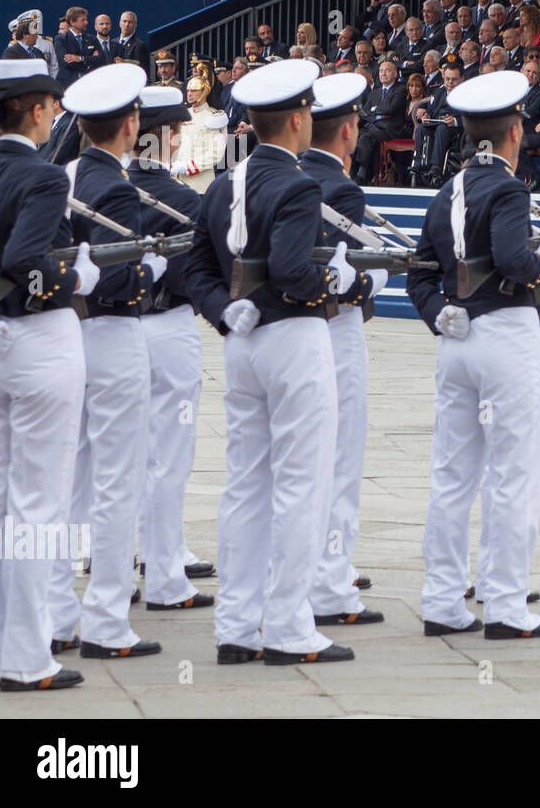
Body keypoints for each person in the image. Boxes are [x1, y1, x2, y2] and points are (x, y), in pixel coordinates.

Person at [185, 58, 354, 666]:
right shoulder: (298, 184)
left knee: (246, 484)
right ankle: (286, 624)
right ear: (300, 118)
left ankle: (236, 623)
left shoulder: (225, 184)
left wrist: (224, 311)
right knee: (302, 484)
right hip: (293, 337)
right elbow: (290, 269)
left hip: (244, 343)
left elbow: (195, 270)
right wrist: (333, 280)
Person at [405, 70, 540, 640]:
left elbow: (418, 274)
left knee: (451, 474)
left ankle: (442, 600)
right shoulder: (509, 189)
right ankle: (505, 603)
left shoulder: (447, 191)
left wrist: (435, 312)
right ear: (516, 130)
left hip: (457, 337)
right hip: (505, 334)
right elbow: (514, 260)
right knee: (512, 472)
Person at [50, 63, 164, 661]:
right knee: (119, 479)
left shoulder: (63, 173)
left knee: (70, 477)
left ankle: (56, 612)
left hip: (70, 334)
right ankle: (107, 620)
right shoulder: (117, 186)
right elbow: (122, 273)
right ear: (130, 124)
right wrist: (153, 268)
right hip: (115, 335)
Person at [0, 58, 90, 691]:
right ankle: (27, 657)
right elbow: (28, 262)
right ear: (37, 109)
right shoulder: (42, 177)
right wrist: (77, 277)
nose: (56, 116)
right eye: (51, 105)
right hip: (38, 338)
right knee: (36, 508)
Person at [299, 73, 390, 626]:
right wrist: (375, 279)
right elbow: (344, 272)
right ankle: (332, 579)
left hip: (281, 328)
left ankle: (305, 566)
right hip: (334, 328)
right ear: (350, 131)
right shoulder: (341, 189)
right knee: (338, 461)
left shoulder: (282, 173)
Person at [126, 86, 213, 613]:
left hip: (121, 329)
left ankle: (138, 552)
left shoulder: (109, 186)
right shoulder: (180, 199)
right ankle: (164, 571)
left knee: (128, 452)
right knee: (169, 455)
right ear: (170, 135)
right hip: (168, 324)